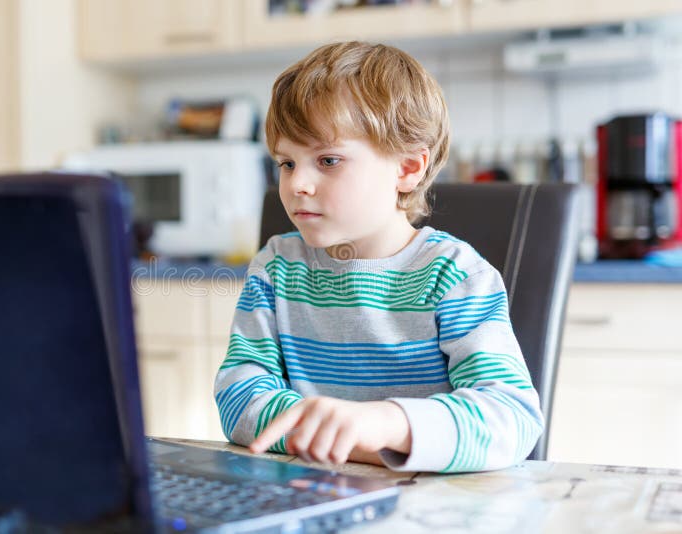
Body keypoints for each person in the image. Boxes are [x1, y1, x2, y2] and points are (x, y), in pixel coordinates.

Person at [213, 41, 543, 472]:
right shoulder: (276, 268)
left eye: (328, 160)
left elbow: (511, 417)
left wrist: (388, 425)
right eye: (287, 163)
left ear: (408, 169)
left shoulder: (455, 275)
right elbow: (238, 392)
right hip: (305, 497)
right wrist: (332, 433)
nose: (296, 185)